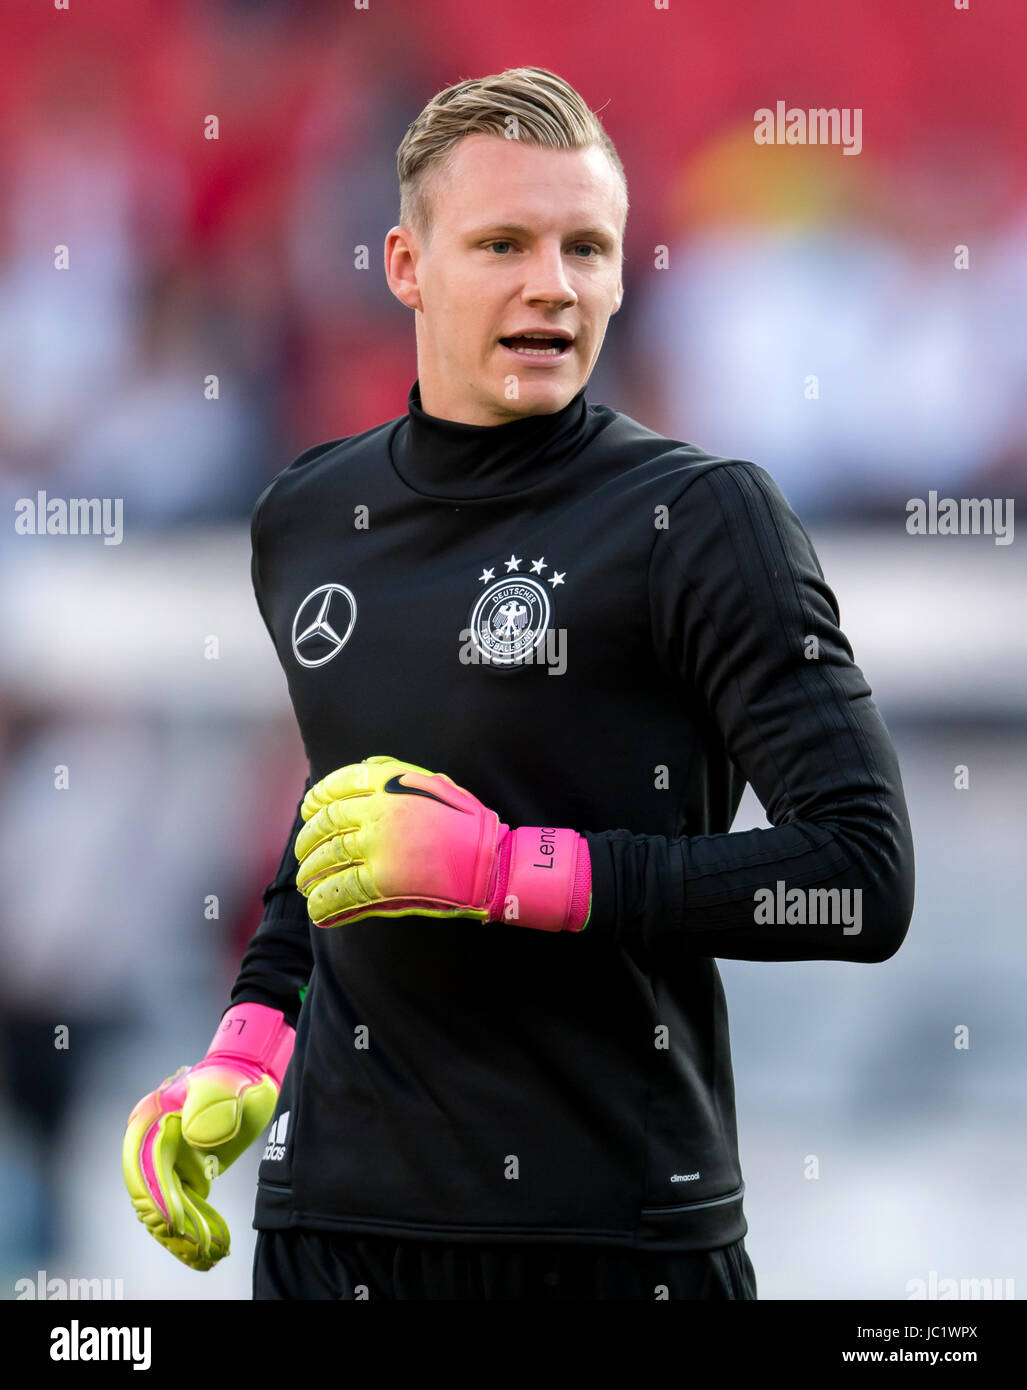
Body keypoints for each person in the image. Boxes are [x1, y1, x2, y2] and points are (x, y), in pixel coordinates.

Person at [122, 65, 914, 1302]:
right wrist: (248, 1045)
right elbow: (344, 819)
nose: (554, 283)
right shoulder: (309, 515)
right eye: (502, 243)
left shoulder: (700, 519)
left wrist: (513, 876)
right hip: (330, 1237)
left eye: (586, 248)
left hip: (611, 1242)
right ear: (405, 265)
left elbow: (859, 877)